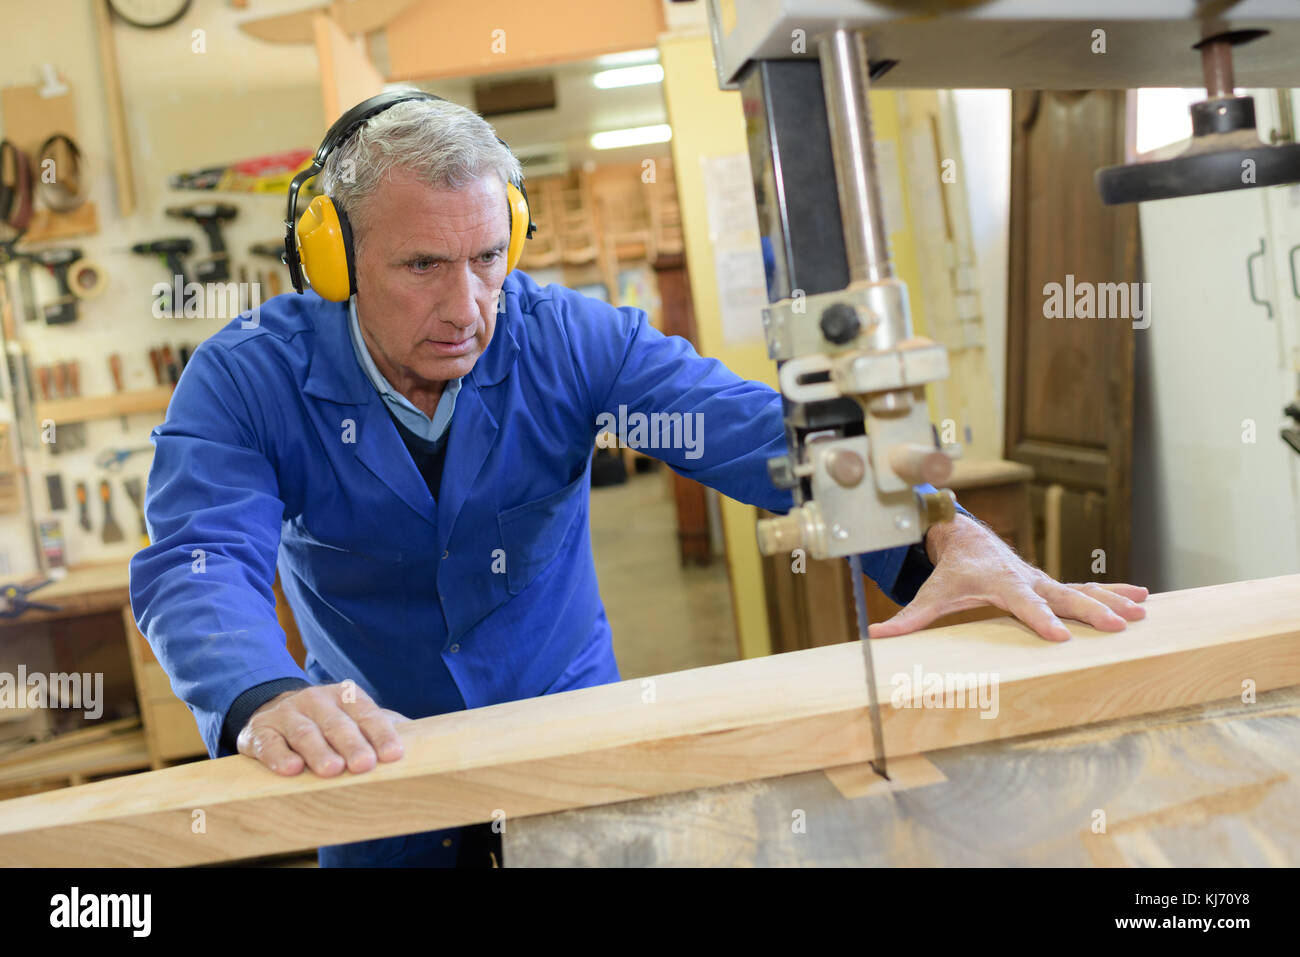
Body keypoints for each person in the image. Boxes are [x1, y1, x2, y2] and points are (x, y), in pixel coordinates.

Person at [129, 93, 1148, 867]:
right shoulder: (249, 377)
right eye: (421, 267)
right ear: (332, 258)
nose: (468, 306)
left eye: (488, 257)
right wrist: (261, 695)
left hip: (581, 757)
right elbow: (198, 558)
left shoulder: (568, 339)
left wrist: (939, 533)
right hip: (380, 772)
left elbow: (757, 434)